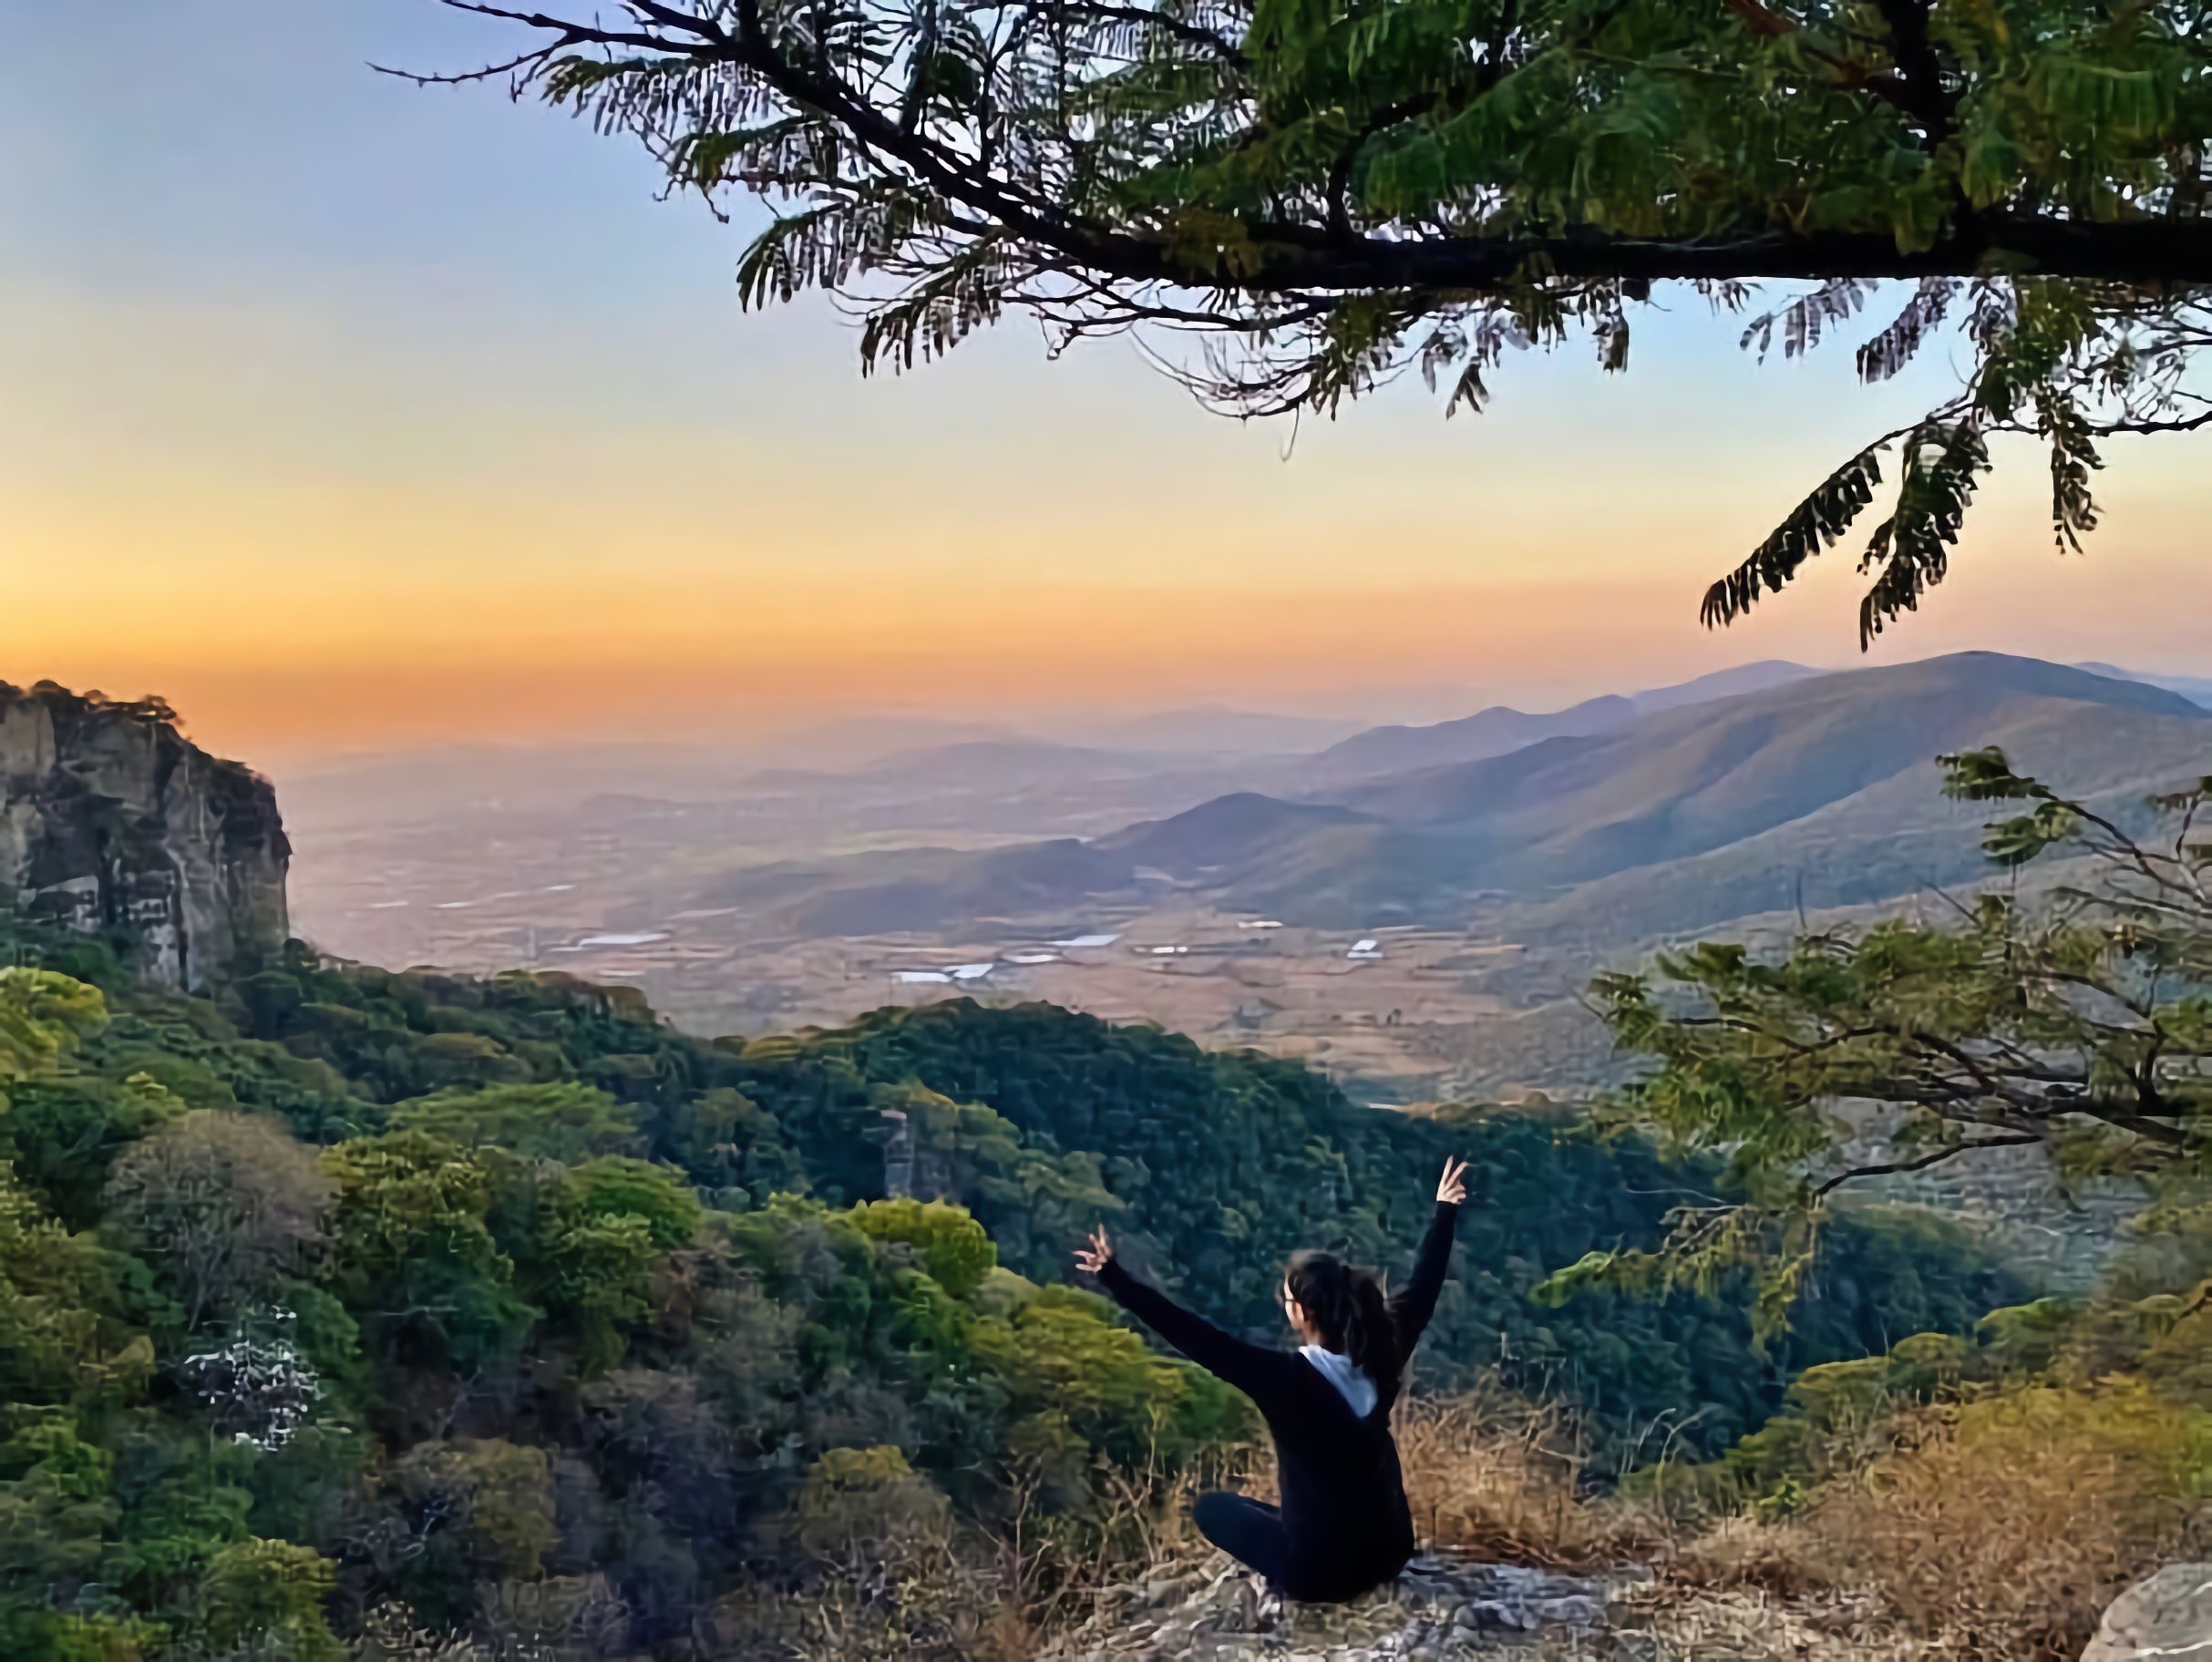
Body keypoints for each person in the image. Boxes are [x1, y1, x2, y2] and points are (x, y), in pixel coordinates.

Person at [1074, 1156, 1469, 1605]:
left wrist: (1115, 1279)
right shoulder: (1383, 1349)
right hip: (1389, 1552)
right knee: (1272, 1508)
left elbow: (1195, 1337)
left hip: (1322, 1575)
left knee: (1214, 1507)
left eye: (1286, 1299)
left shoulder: (1285, 1382)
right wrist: (1445, 1211)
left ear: (1304, 1312)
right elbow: (1423, 1287)